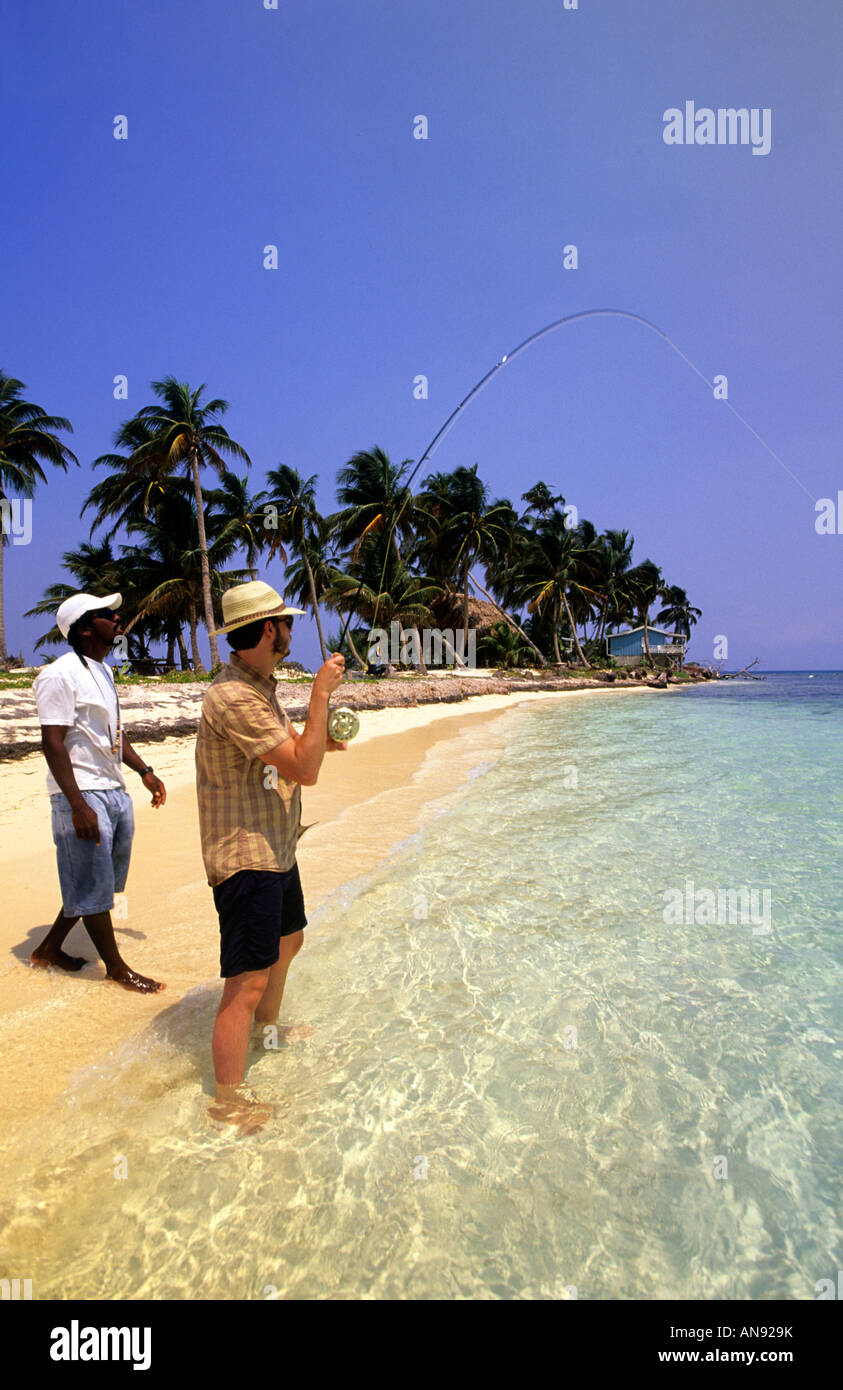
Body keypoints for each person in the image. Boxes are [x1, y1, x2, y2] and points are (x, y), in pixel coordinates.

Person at [195, 581, 347, 1129]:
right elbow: (303, 769)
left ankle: (267, 1031)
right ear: (267, 630)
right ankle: (227, 1100)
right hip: (246, 855)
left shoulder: (258, 687)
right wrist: (320, 695)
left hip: (276, 845)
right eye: (285, 622)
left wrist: (322, 737)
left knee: (290, 940)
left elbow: (294, 750)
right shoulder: (233, 696)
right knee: (247, 980)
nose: (289, 630)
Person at [31, 592, 167, 993]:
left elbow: (113, 736)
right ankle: (117, 969)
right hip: (81, 792)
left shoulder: (104, 671)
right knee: (93, 880)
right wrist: (77, 805)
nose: (117, 619)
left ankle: (48, 949)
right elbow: (52, 741)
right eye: (108, 615)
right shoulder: (58, 675)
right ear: (86, 628)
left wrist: (144, 771)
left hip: (113, 788)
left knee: (98, 881)